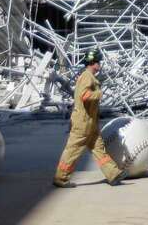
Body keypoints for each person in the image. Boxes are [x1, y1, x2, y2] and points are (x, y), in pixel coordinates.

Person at [52, 49, 124, 188]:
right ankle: (60, 178)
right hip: (82, 124)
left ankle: (113, 174)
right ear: (93, 63)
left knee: (99, 149)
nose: (100, 65)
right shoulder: (87, 76)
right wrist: (99, 94)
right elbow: (85, 96)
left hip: (90, 123)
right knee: (73, 150)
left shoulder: (90, 76)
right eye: (98, 62)